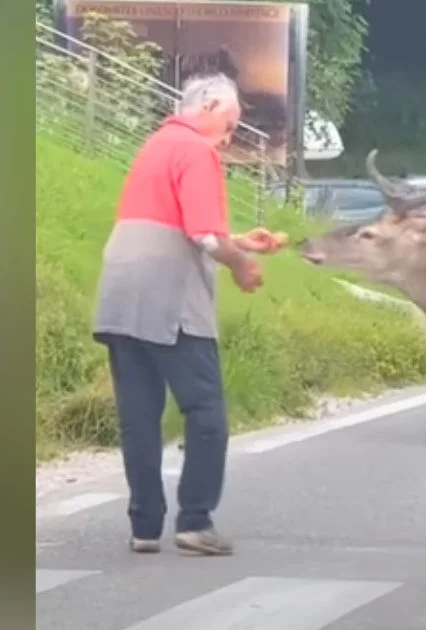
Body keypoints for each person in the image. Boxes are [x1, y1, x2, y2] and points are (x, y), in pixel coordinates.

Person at [91, 73, 286, 556]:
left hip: (120, 293)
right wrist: (241, 264)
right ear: (211, 105)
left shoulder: (157, 145)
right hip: (169, 298)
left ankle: (144, 527)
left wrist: (236, 238)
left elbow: (176, 222)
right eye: (230, 123)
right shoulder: (197, 151)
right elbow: (200, 234)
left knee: (139, 415)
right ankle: (195, 519)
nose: (231, 135)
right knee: (205, 412)